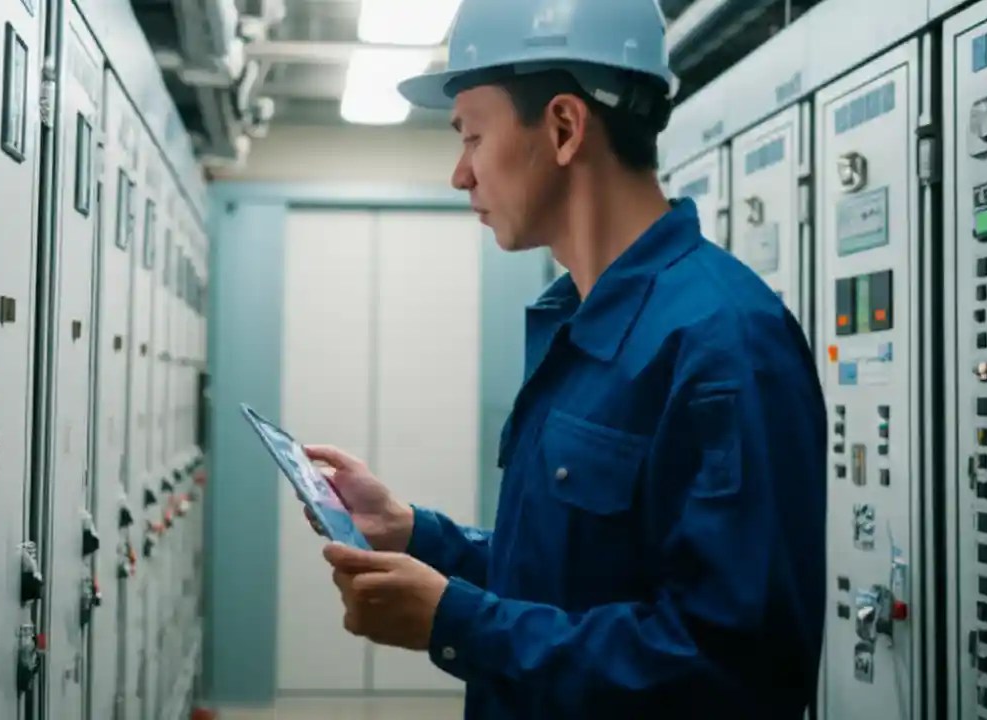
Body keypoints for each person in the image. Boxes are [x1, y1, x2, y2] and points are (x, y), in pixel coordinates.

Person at [303, 0, 828, 718]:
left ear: (562, 128)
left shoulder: (723, 343)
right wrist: (416, 535)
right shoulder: (577, 323)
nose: (461, 175)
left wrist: (455, 622)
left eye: (473, 137)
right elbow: (569, 578)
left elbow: (735, 670)